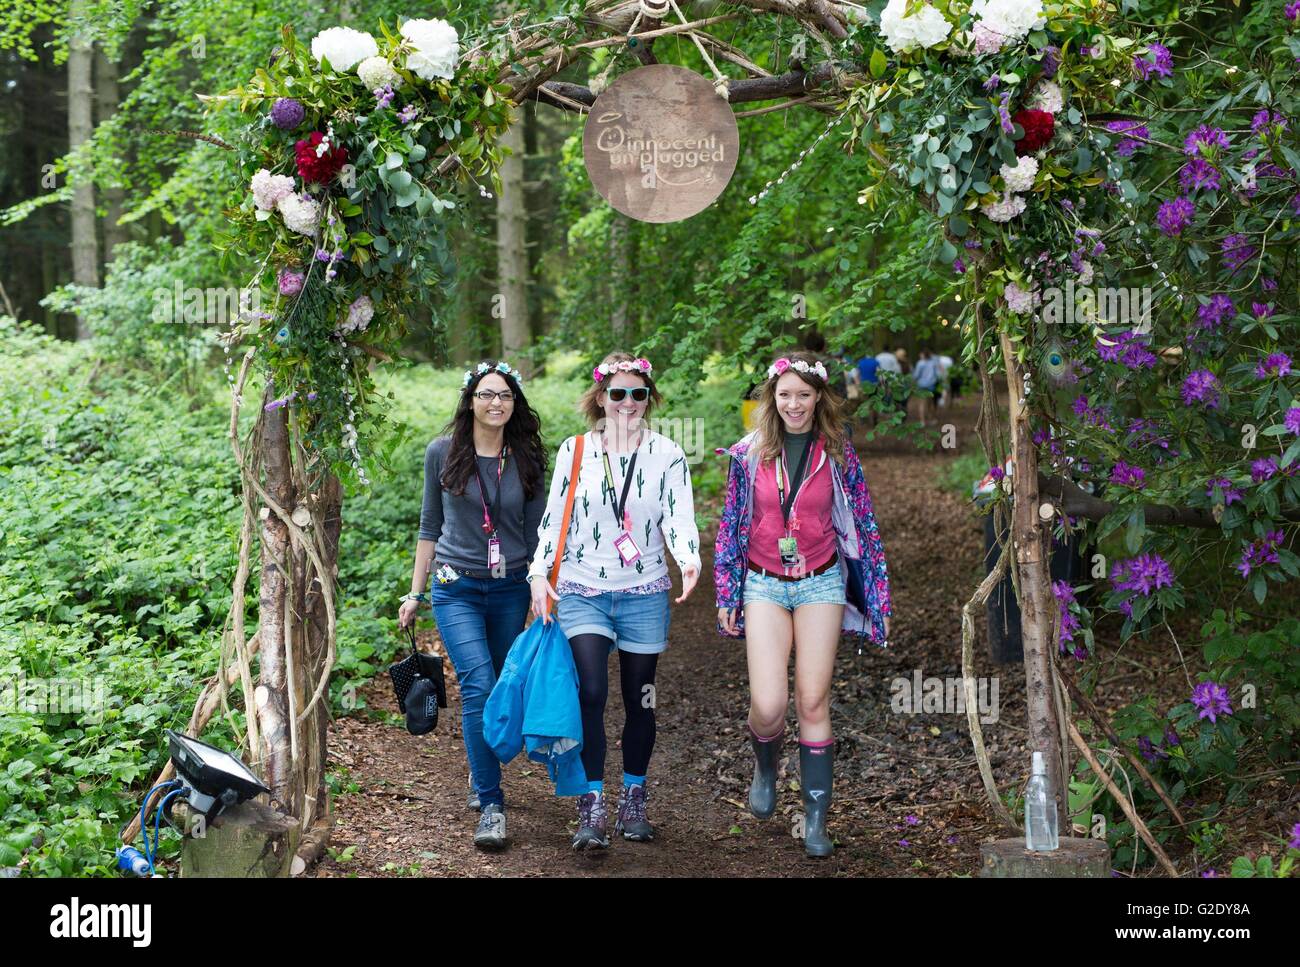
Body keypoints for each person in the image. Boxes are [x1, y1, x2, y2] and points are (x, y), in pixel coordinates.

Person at [714, 351, 892, 858]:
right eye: (785, 394)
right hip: (764, 582)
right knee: (770, 705)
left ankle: (816, 818)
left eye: (804, 394)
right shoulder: (748, 453)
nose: (794, 404)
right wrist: (727, 590)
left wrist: (874, 593)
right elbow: (731, 525)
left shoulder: (837, 452)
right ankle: (766, 764)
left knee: (812, 701)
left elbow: (862, 523)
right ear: (773, 397)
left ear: (819, 398)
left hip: (821, 582)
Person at [529, 351, 701, 850]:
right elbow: (554, 516)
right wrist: (539, 573)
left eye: (638, 394)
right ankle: (592, 805)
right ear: (600, 398)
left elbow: (678, 517)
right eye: (617, 393)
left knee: (639, 696)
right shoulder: (574, 450)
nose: (627, 403)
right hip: (583, 589)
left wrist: (688, 558)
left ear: (649, 399)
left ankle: (634, 798)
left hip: (644, 590)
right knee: (590, 693)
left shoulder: (668, 453)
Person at [398, 359, 547, 851]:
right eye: (486, 394)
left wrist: (540, 588)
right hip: (455, 587)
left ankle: (480, 768)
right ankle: (491, 803)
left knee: (503, 684)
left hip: (509, 589)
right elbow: (428, 526)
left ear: (515, 403)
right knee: (478, 683)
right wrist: (415, 593)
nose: (495, 403)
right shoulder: (442, 453)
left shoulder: (525, 457)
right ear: (470, 400)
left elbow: (535, 532)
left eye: (504, 395)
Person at [912, 349, 940, 426]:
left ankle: (922, 421)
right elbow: (937, 374)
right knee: (930, 403)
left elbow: (916, 375)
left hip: (921, 385)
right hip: (931, 385)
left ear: (923, 355)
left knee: (921, 403)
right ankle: (932, 419)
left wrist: (913, 380)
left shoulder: (920, 363)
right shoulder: (933, 363)